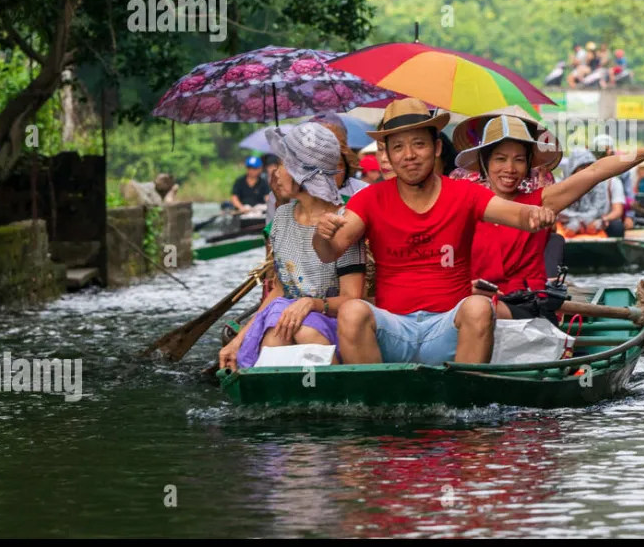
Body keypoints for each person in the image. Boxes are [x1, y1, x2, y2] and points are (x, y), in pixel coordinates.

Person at [311, 98, 558, 365]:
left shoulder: (464, 193)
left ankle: (465, 399)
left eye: (419, 144)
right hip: (393, 330)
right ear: (387, 154)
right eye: (398, 147)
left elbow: (518, 214)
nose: (409, 155)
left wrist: (536, 214)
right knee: (351, 311)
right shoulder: (370, 199)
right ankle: (377, 402)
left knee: (478, 306)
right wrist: (321, 235)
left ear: (437, 147)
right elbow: (329, 252)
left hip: (447, 329)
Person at [454, 110, 644, 304]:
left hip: (526, 306)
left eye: (519, 159)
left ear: (528, 165)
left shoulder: (543, 200)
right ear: (485, 163)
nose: (510, 169)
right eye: (500, 159)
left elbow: (597, 171)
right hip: (474, 304)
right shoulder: (464, 202)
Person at [218, 123, 366, 370]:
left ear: (304, 176)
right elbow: (279, 290)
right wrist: (239, 341)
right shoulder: (282, 218)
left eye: (284, 165)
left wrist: (310, 304)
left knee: (305, 330)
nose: (276, 172)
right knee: (277, 333)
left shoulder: (343, 222)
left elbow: (353, 298)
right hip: (286, 319)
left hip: (331, 323)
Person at [557, 148, 629, 238]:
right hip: (568, 223)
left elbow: (600, 208)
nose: (587, 170)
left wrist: (588, 222)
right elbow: (561, 210)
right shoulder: (562, 185)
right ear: (573, 169)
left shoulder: (602, 183)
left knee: (616, 227)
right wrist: (576, 222)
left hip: (594, 222)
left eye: (590, 166)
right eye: (583, 167)